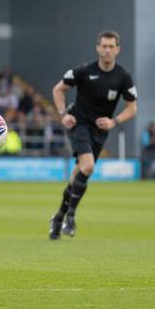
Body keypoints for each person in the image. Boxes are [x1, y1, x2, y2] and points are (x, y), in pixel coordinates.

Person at [49, 30, 137, 240]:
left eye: (111, 46)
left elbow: (132, 108)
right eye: (103, 46)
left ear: (118, 49)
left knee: (79, 173)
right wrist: (63, 115)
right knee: (88, 166)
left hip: (100, 132)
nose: (107, 50)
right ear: (97, 48)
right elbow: (57, 90)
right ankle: (70, 217)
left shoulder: (123, 77)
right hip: (79, 124)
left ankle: (59, 217)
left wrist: (113, 121)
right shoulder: (84, 71)